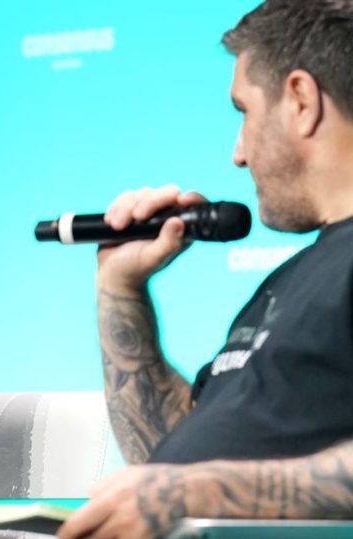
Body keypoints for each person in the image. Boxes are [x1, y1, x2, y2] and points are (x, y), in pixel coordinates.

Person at [58, 1, 353, 537]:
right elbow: (164, 457)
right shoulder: (293, 278)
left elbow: (187, 485)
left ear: (301, 101)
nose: (238, 154)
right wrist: (120, 287)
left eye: (244, 111)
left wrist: (197, 492)